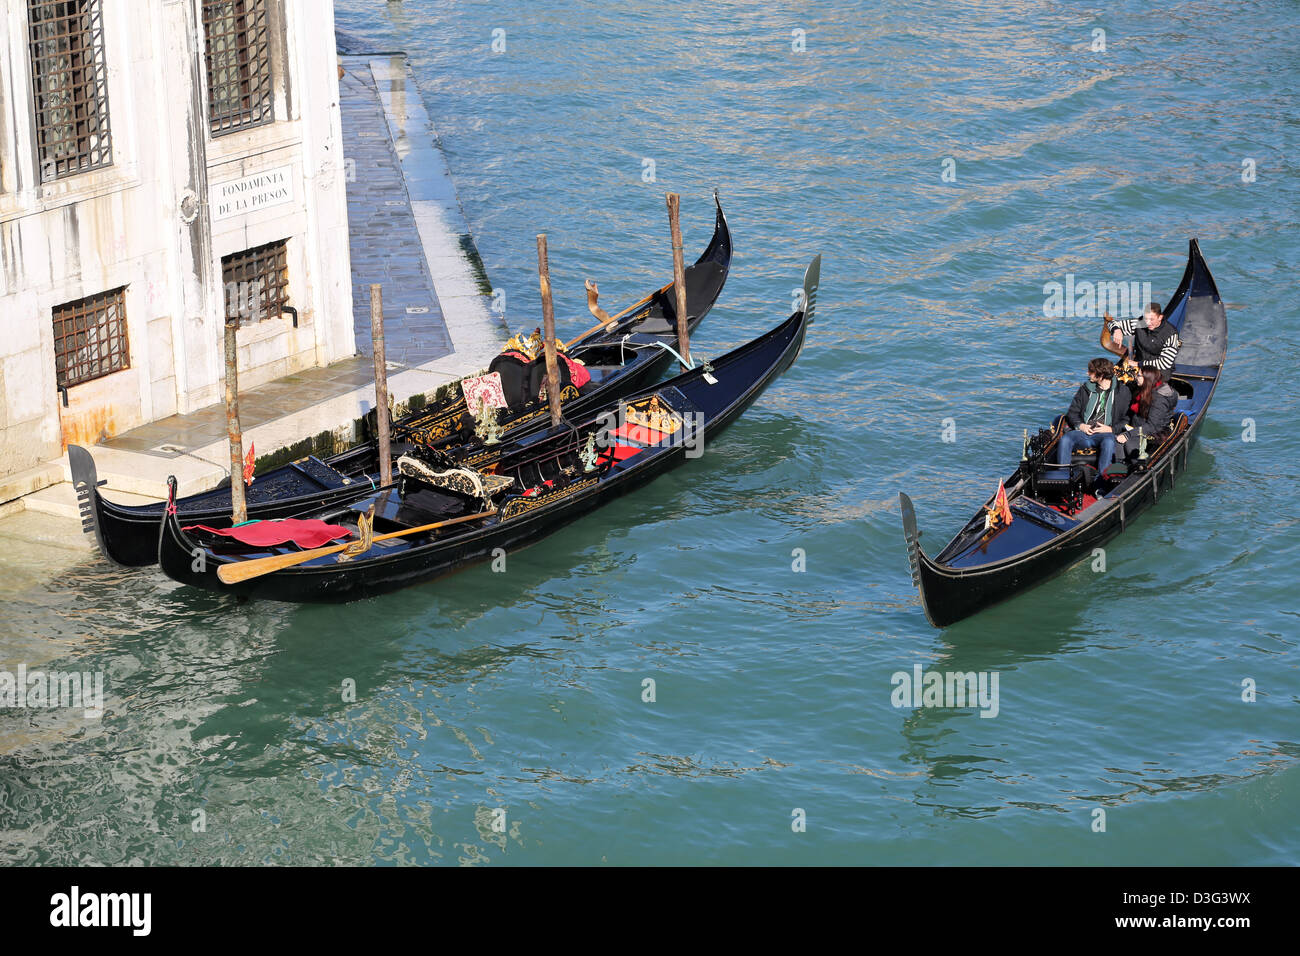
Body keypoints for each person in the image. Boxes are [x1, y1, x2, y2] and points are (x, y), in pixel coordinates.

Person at [1056, 357, 1132, 478]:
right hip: (1084, 431)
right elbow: (1072, 412)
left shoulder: (1122, 392)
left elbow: (1127, 419)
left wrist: (1111, 429)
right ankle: (1063, 478)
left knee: (1108, 442)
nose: (1088, 374)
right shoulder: (1085, 389)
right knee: (1066, 439)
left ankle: (1102, 481)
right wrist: (1081, 426)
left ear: (1101, 375)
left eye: (1091, 372)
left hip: (1106, 433)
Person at [1116, 365, 1178, 457]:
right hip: (1138, 428)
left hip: (1154, 435)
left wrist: (1128, 435)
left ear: (1147, 378)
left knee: (1122, 443)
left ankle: (1123, 466)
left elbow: (1152, 426)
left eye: (1139, 375)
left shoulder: (1159, 399)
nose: (1136, 377)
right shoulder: (1144, 390)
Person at [1106, 301, 1181, 373]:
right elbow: (1112, 323)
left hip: (1158, 371)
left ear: (1160, 317)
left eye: (1152, 319)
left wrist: (1139, 364)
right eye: (1146, 318)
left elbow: (1165, 363)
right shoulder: (1140, 323)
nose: (1148, 323)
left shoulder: (1171, 334)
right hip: (1138, 367)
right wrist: (1117, 330)